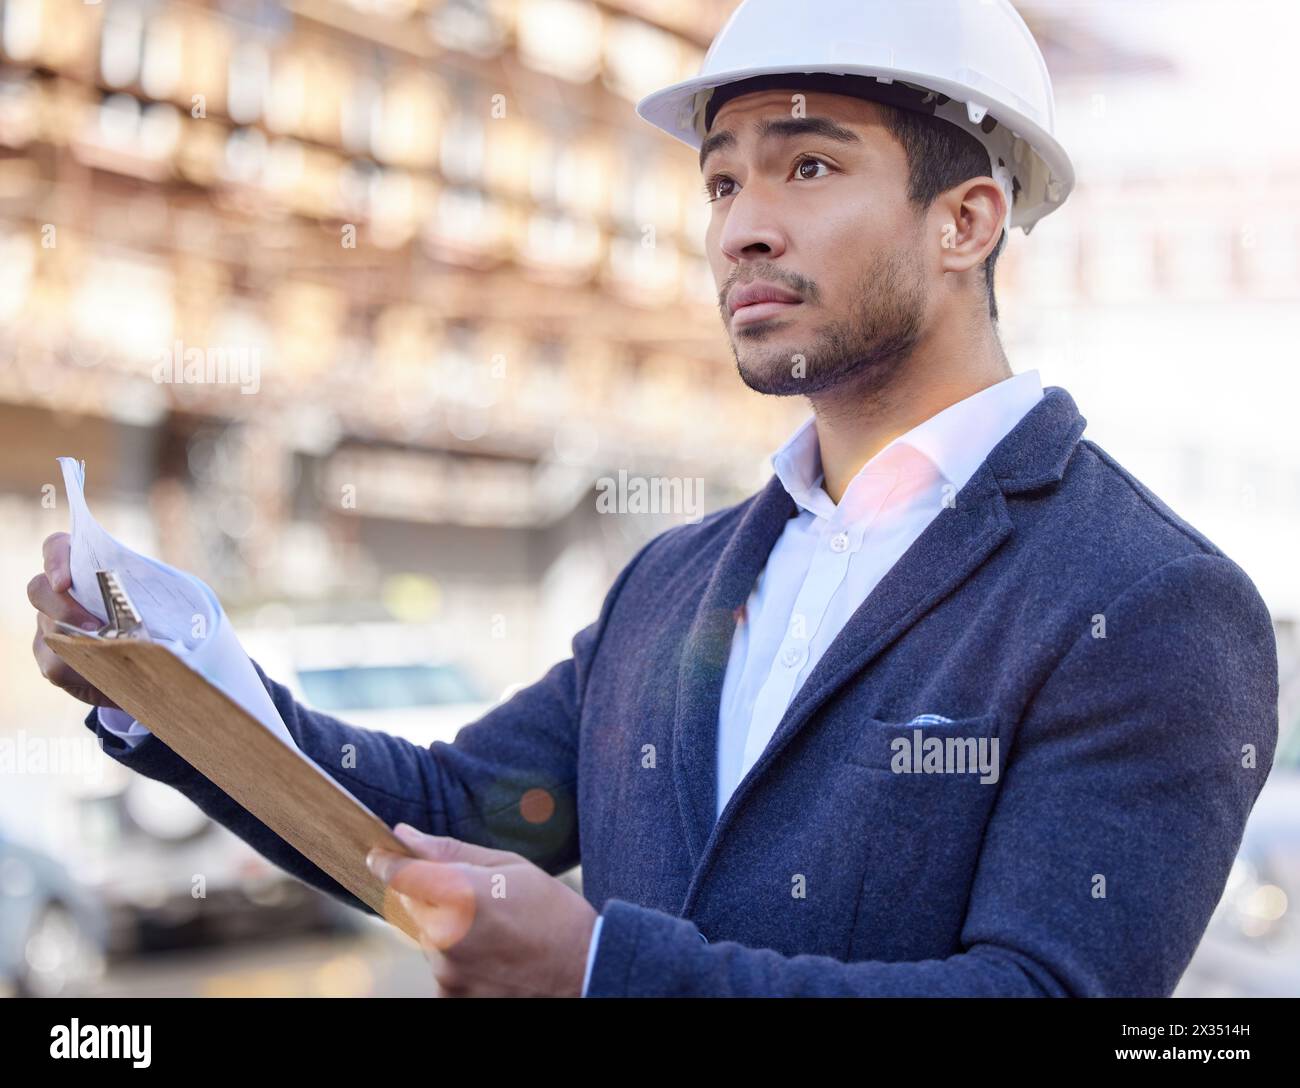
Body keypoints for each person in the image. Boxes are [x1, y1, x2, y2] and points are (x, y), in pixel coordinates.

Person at [28, 0, 1278, 997]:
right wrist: (168, 673)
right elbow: (450, 818)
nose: (739, 228)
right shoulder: (673, 582)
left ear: (964, 221)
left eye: (806, 166)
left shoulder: (1147, 601)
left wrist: (597, 972)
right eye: (722, 183)